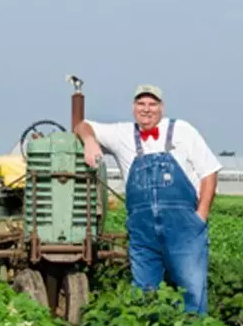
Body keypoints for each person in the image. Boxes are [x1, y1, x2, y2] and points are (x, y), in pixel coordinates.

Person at [74, 84, 222, 314]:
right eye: (141, 104)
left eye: (152, 104)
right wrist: (90, 141)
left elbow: (209, 171)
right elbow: (83, 125)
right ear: (134, 108)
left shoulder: (182, 130)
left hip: (183, 228)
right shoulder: (122, 134)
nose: (146, 109)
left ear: (161, 107)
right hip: (143, 230)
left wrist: (200, 216)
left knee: (191, 289)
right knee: (144, 292)